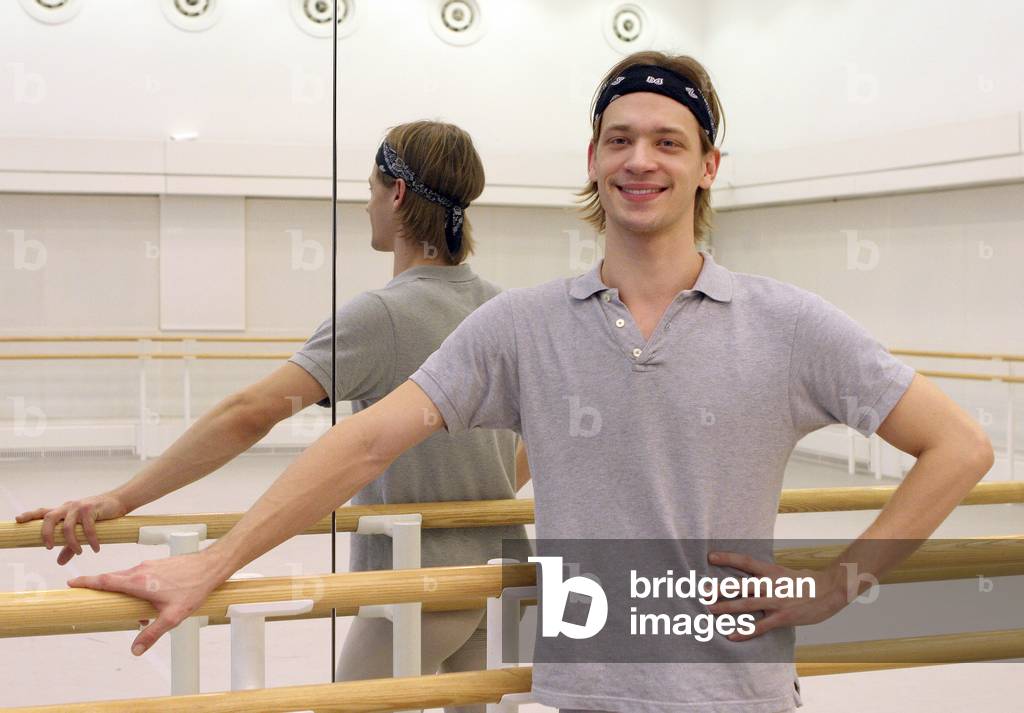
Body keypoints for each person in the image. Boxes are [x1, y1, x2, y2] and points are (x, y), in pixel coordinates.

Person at [47, 52, 993, 713]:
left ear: (709, 167)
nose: (641, 159)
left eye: (669, 142)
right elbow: (364, 441)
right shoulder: (521, 324)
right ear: (593, 160)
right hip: (585, 690)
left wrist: (839, 582)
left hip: (737, 691)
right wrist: (213, 561)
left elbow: (959, 445)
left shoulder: (787, 323)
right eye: (620, 138)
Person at [16, 120, 531, 710]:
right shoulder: (501, 307)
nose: (364, 206)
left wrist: (122, 497)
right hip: (502, 577)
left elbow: (249, 414)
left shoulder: (382, 316)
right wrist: (488, 486)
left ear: (397, 194)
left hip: (421, 585)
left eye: (369, 189)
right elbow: (540, 437)